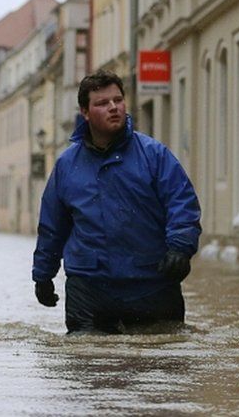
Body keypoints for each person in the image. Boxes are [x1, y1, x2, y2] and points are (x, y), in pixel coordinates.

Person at [31, 70, 201, 333]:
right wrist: (43, 275)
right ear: (85, 112)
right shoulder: (67, 165)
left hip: (151, 284)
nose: (113, 108)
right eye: (102, 103)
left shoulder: (154, 155)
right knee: (87, 364)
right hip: (89, 289)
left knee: (162, 362)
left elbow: (182, 203)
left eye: (118, 100)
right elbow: (53, 225)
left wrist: (180, 247)